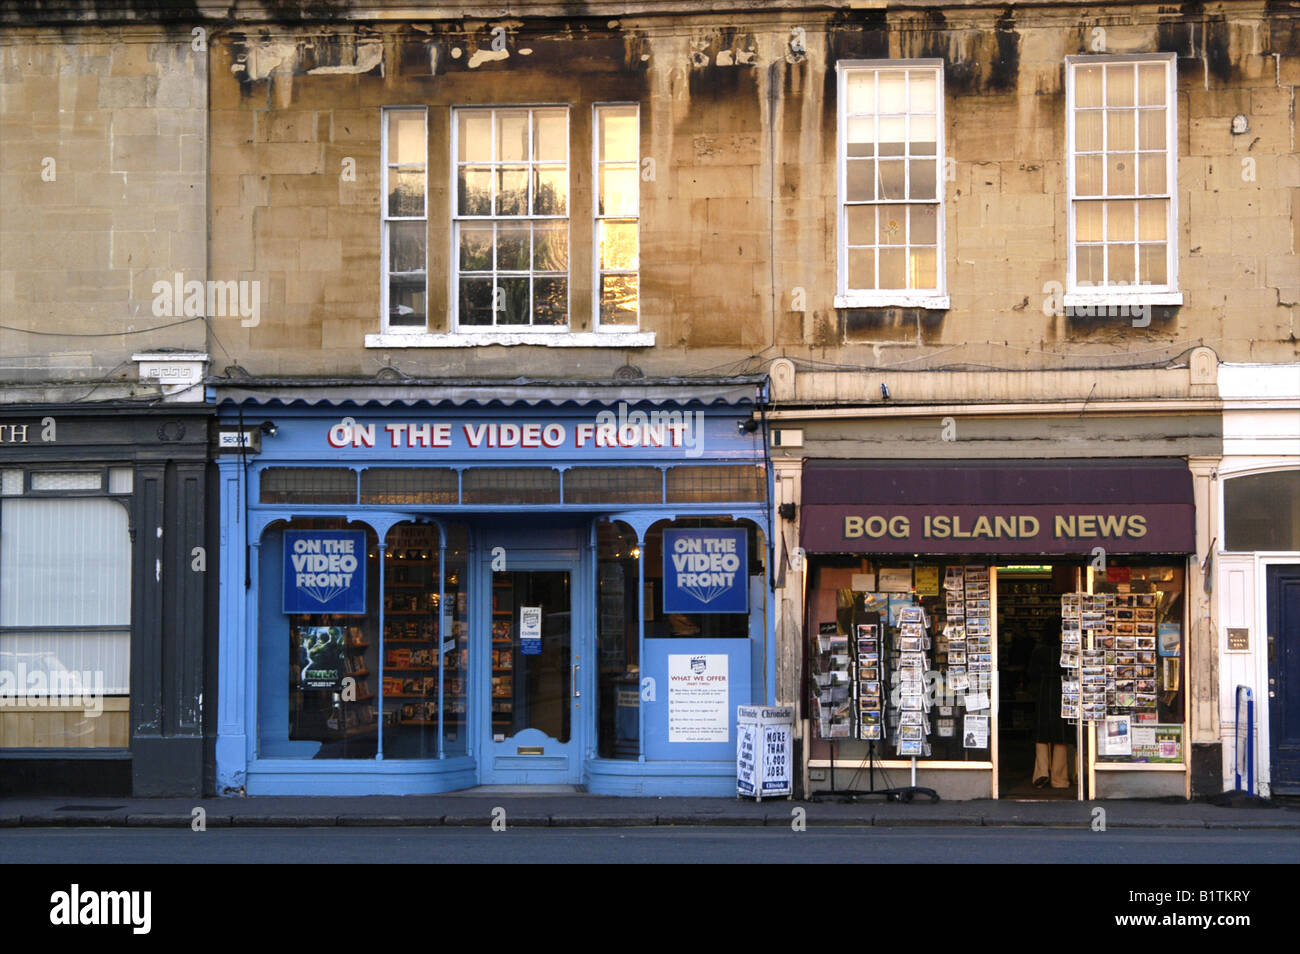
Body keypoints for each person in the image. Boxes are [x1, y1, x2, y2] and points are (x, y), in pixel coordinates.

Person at [1026, 632, 1074, 788]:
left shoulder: (1039, 652)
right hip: (1063, 692)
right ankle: (1059, 779)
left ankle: (1041, 773)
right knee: (1060, 737)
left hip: (1044, 692)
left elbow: (1031, 674)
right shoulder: (1067, 650)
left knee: (1041, 735)